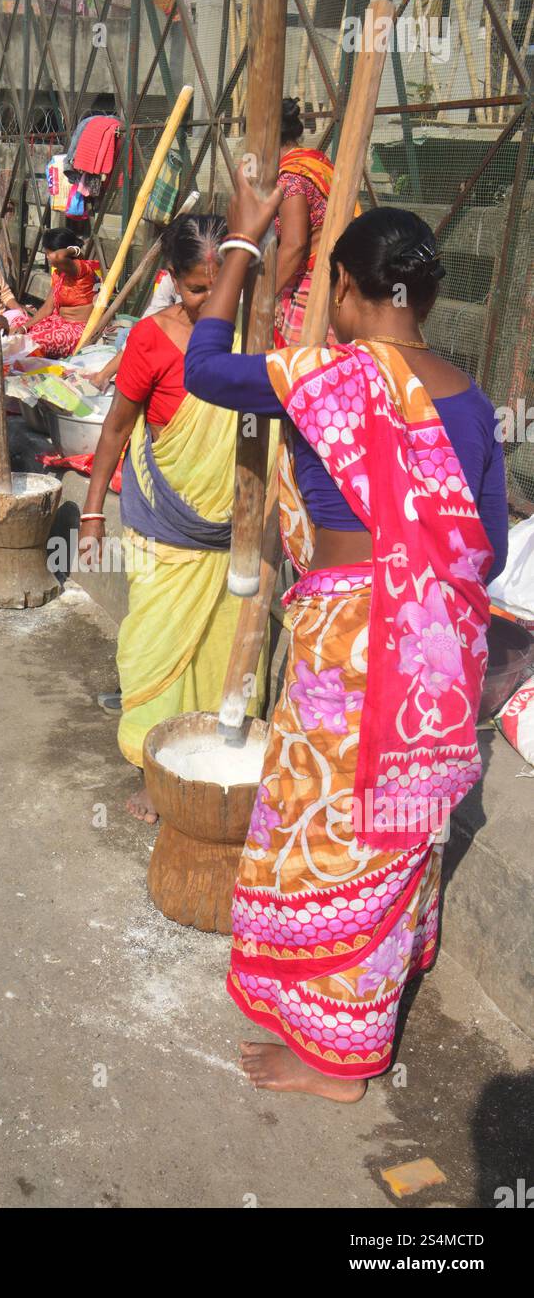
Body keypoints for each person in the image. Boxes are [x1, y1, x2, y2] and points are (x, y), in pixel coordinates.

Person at [185, 164, 509, 1102]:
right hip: (434, 645)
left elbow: (203, 367)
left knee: (326, 830)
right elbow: (480, 546)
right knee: (394, 830)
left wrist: (242, 247)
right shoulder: (469, 397)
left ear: (346, 290)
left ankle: (339, 1061)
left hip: (348, 639)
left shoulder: (321, 380)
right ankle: (357, 1023)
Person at [78, 214, 266, 822]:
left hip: (235, 533)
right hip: (166, 527)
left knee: (222, 654)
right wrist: (90, 513)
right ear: (171, 280)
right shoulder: (151, 340)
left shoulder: (257, 335)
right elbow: (115, 428)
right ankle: (158, 773)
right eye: (194, 289)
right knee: (154, 648)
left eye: (222, 287)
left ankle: (213, 774)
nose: (210, 301)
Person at [275, 97, 350, 346]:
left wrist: (264, 296)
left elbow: (294, 245)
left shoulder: (291, 177)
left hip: (311, 290)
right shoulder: (316, 163)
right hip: (336, 280)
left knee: (300, 373)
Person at [21, 231, 97, 358]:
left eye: (48, 252)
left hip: (78, 329)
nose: (47, 257)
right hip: (59, 323)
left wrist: (74, 250)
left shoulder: (81, 269)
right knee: (17, 333)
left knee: (33, 343)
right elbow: (47, 308)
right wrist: (24, 327)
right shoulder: (58, 273)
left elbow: (58, 257)